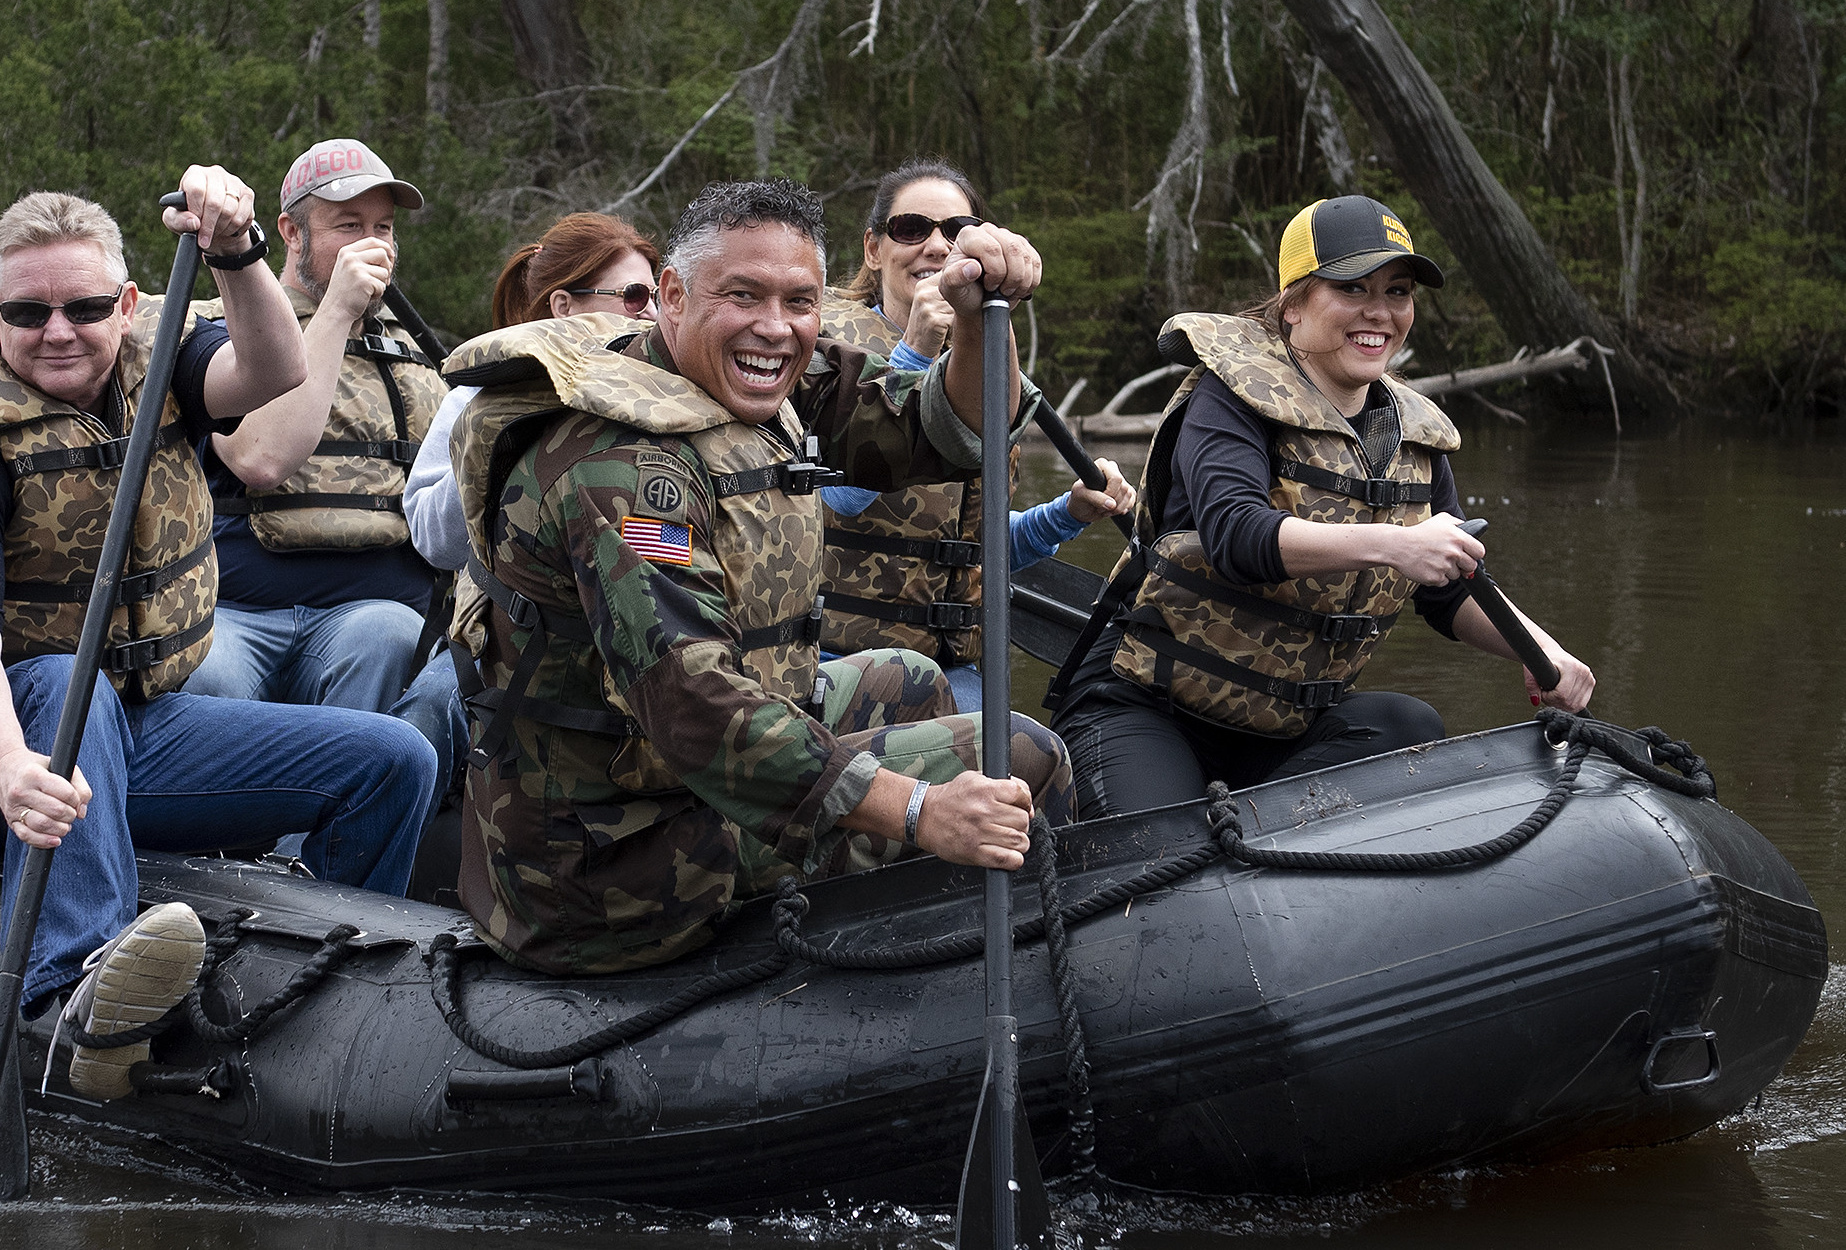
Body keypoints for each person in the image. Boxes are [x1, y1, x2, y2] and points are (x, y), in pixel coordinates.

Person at [0, 171, 436, 1098]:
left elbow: (274, 371)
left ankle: (333, 994)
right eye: (30, 311)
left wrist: (236, 252)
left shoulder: (164, 356)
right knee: (63, 681)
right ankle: (68, 992)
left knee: (394, 758)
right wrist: (11, 767)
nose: (59, 330)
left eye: (86, 307)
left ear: (128, 304)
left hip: (124, 726)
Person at [446, 178, 1076, 978]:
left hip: (665, 781)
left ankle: (911, 947)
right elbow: (697, 706)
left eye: (799, 301)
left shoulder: (744, 376)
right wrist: (921, 811)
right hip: (613, 863)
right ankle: (1008, 982)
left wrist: (986, 308)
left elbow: (951, 429)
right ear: (671, 295)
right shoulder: (623, 467)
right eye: (742, 294)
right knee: (1024, 751)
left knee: (911, 676)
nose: (775, 328)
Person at [1052, 195, 1598, 816]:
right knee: (1155, 860)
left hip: (1283, 728)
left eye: (1397, 292)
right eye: (1352, 288)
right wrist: (1395, 543)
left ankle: (1261, 844)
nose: (1380, 313)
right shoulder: (1227, 398)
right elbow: (1235, 536)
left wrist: (1542, 651)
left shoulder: (1413, 435)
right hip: (1145, 706)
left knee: (1407, 722)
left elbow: (1450, 589)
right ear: (1292, 305)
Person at [817, 161, 1137, 711]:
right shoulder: (818, 347)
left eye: (957, 231)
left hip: (951, 668)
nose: (937, 246)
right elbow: (838, 499)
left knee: (1026, 768)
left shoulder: (989, 369)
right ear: (873, 249)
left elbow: (975, 551)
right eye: (911, 229)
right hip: (831, 661)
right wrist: (915, 350)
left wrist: (1068, 512)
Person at [177, 139, 450, 755]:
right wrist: (335, 313)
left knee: (388, 636)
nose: (372, 243)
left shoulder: (417, 359)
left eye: (383, 227)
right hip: (235, 613)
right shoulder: (220, 332)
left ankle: (317, 852)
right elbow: (260, 458)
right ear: (290, 233)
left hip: (370, 613)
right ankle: (211, 846)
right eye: (348, 225)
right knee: (206, 670)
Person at [403, 211, 659, 578]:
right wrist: (491, 435)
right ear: (563, 307)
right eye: (633, 296)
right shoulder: (483, 397)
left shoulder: (670, 397)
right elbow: (433, 542)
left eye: (656, 295)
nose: (651, 312)